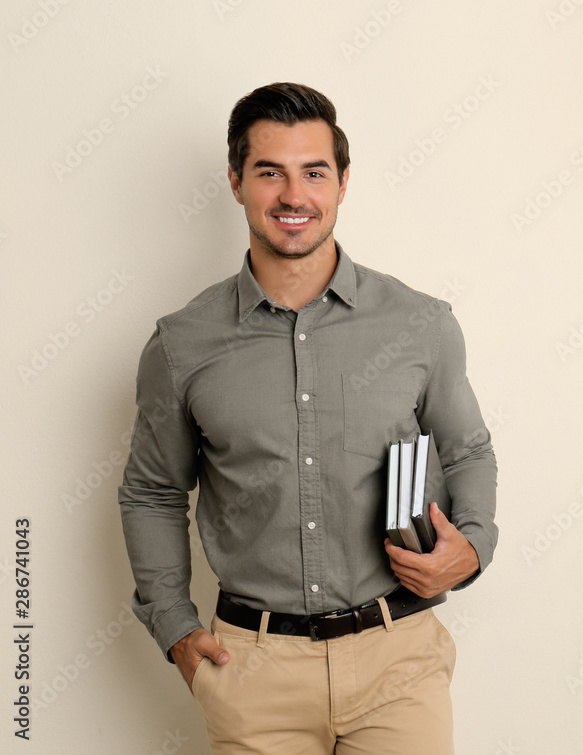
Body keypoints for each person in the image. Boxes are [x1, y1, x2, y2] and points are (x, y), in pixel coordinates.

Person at [118, 82, 498, 754]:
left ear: (343, 182)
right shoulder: (182, 345)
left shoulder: (419, 323)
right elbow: (152, 490)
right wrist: (174, 625)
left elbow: (466, 451)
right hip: (253, 671)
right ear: (236, 182)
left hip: (398, 660)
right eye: (270, 172)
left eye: (314, 172)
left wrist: (470, 545)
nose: (295, 196)